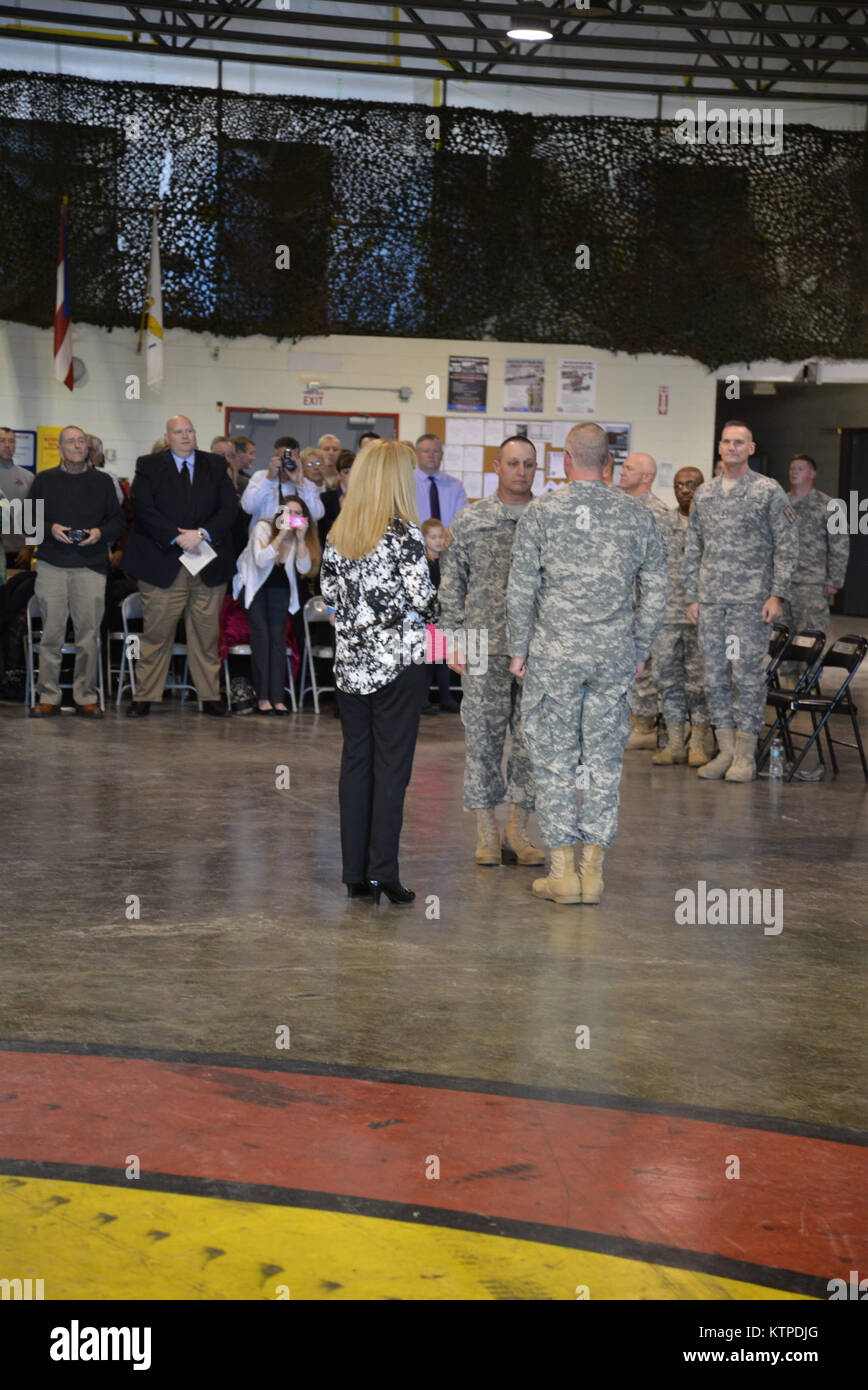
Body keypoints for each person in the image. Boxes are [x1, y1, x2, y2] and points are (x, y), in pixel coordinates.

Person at [507, 423, 667, 905]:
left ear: (565, 461)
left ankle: (562, 874)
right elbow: (657, 590)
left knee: (554, 762)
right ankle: (592, 873)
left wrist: (519, 649)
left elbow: (521, 588)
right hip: (613, 656)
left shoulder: (543, 511)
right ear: (610, 465)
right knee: (602, 762)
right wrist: (639, 648)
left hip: (554, 656)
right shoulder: (637, 515)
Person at [320, 440, 435, 905]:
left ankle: (355, 875)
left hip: (350, 665)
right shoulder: (404, 534)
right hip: (397, 663)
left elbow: (329, 592)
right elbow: (424, 600)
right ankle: (383, 870)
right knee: (392, 769)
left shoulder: (339, 533)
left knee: (356, 764)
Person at [440, 435, 545, 868]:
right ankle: (486, 831)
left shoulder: (548, 518)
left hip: (538, 645)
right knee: (482, 740)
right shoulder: (470, 519)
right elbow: (450, 584)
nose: (521, 471)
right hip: (482, 644)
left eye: (529, 464)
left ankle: (517, 830)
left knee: (530, 742)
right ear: (497, 467)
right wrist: (448, 640)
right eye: (513, 463)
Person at [683, 421, 798, 782]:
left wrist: (777, 593)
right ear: (719, 448)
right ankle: (726, 750)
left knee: (746, 676)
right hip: (712, 602)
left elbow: (787, 544)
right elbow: (693, 548)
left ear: (750, 449)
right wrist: (692, 596)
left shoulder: (768, 491)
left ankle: (746, 755)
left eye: (739, 443)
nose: (732, 448)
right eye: (727, 442)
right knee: (715, 677)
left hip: (751, 603)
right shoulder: (704, 493)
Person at [122, 414, 239, 717]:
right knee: (157, 633)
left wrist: (201, 534)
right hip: (163, 562)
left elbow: (229, 508)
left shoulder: (214, 465)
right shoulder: (148, 466)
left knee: (205, 634)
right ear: (168, 436)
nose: (185, 436)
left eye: (190, 430)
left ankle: (211, 696)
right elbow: (142, 507)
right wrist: (177, 537)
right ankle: (145, 696)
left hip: (207, 562)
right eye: (179, 432)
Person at [27, 425, 124, 718]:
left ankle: (85, 696)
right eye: (71, 441)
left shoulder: (104, 482)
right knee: (52, 634)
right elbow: (26, 522)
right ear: (59, 449)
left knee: (88, 635)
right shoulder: (43, 480)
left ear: (89, 448)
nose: (77, 445)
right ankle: (48, 696)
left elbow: (118, 522)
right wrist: (51, 529)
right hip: (51, 565)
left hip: (91, 567)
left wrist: (99, 532)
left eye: (82, 441)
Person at [233, 496, 319, 713]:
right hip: (254, 588)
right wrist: (281, 535)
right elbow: (261, 561)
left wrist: (299, 540)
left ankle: (278, 698)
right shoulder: (263, 528)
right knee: (262, 638)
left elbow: (304, 567)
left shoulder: (300, 537)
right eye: (289, 512)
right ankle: (263, 698)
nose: (293, 518)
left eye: (298, 513)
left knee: (278, 640)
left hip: (280, 591)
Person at [650, 468, 711, 767]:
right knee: (667, 681)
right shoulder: (662, 523)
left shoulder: (713, 524)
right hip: (667, 616)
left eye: (691, 484)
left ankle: (698, 743)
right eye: (678, 485)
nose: (684, 490)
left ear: (703, 486)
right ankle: (675, 743)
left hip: (701, 618)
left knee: (699, 683)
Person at [619, 451, 669, 750]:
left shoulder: (657, 512)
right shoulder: (621, 506)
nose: (622, 471)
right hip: (622, 603)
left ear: (647, 476)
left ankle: (645, 726)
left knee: (645, 667)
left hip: (644, 603)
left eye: (629, 468)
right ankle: (631, 721)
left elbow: (659, 566)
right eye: (623, 466)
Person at [783, 453, 849, 645]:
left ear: (812, 474)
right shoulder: (780, 504)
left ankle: (810, 675)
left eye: (800, 468)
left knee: (809, 638)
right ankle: (788, 676)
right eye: (792, 468)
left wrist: (834, 580)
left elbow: (840, 545)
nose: (794, 472)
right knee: (782, 638)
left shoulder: (829, 506)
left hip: (812, 585)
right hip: (783, 584)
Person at [420, 517, 459, 716]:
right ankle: (422, 699)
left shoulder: (446, 561)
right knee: (429, 660)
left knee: (443, 659)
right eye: (432, 537)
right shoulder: (423, 563)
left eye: (440, 537)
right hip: (429, 617)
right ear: (424, 539)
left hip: (444, 615)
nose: (437, 541)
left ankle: (446, 697)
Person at [242, 437, 324, 531]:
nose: (287, 462)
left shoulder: (306, 484)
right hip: (264, 542)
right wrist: (269, 479)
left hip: (294, 542)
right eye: (284, 458)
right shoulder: (261, 477)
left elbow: (316, 515)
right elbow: (248, 508)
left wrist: (300, 485)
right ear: (274, 458)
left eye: (292, 459)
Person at [414, 433, 469, 527]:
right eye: (426, 451)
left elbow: (463, 519)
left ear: (442, 455)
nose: (431, 455)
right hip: (415, 540)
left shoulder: (455, 486)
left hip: (448, 540)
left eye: (435, 451)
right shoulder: (406, 483)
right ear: (416, 454)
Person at [0, 426, 34, 571]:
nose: (8, 445)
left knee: (16, 593)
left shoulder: (29, 478)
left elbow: (36, 518)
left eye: (11, 441)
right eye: (2, 441)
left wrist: (29, 548)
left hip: (20, 554)